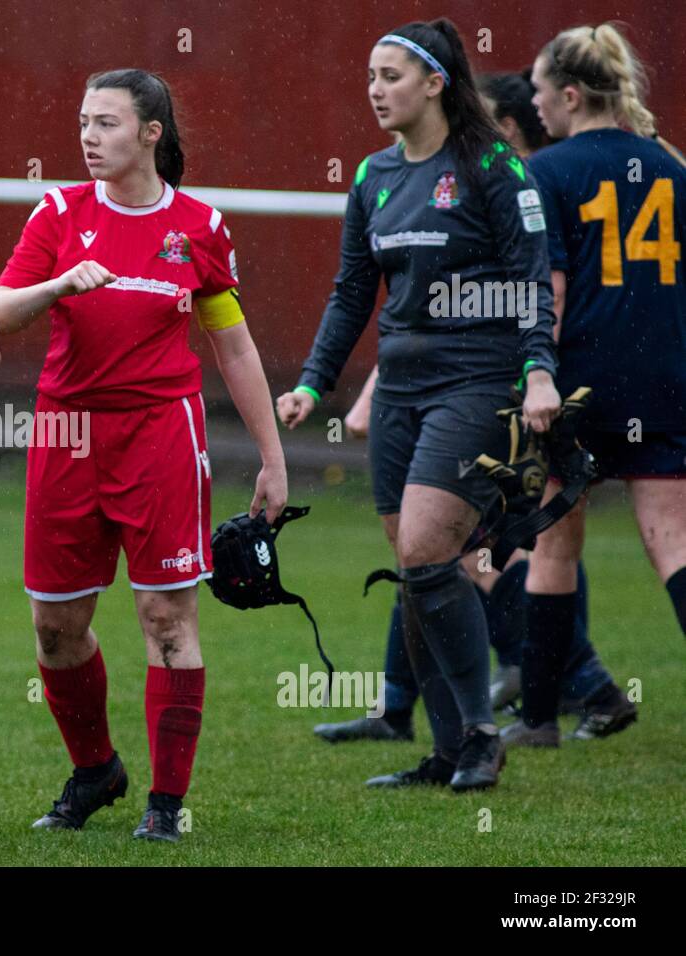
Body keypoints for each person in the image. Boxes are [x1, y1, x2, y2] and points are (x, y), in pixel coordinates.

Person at [0, 69, 287, 842]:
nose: (89, 137)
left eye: (108, 123)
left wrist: (273, 457)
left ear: (151, 133)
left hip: (161, 430)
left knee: (166, 615)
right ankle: (96, 770)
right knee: (55, 627)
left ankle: (164, 804)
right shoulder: (58, 212)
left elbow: (234, 346)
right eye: (84, 121)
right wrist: (57, 284)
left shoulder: (198, 226)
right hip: (65, 432)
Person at [277, 20, 562, 792]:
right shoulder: (372, 177)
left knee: (427, 550)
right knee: (419, 571)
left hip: (477, 385)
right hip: (400, 391)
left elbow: (535, 278)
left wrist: (539, 372)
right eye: (370, 75)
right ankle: (445, 751)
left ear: (436, 83)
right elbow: (349, 295)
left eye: (392, 75)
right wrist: (312, 382)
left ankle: (479, 735)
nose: (375, 89)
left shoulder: (494, 166)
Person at [316, 69, 630, 746]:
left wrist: (536, 378)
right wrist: (364, 388)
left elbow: (528, 296)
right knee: (431, 555)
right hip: (466, 387)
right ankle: (407, 708)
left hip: (504, 390)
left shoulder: (503, 181)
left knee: (463, 555)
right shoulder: (403, 180)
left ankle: (570, 682)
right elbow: (415, 305)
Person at [501, 23, 686, 747]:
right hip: (666, 377)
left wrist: (536, 372)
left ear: (572, 94)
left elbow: (546, 289)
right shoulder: (669, 166)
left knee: (554, 547)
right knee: (672, 546)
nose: (535, 105)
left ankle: (539, 719)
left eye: (542, 91)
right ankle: (548, 714)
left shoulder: (548, 171)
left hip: (579, 382)